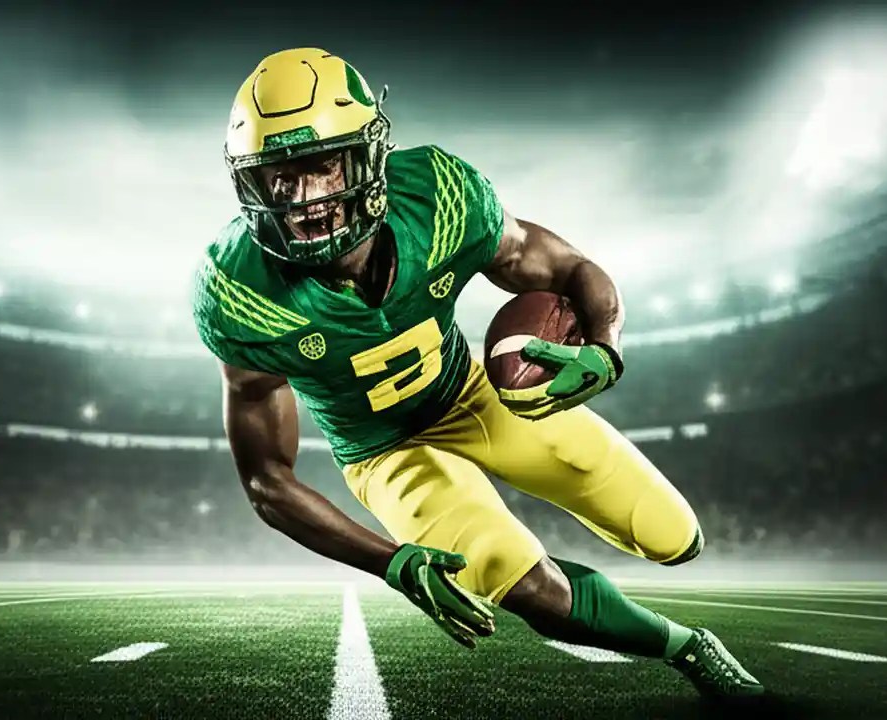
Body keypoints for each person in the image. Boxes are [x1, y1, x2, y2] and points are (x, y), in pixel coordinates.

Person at [191, 47, 763, 699]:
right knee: (529, 589)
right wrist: (391, 561)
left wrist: (604, 345)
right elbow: (267, 481)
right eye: (277, 179)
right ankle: (688, 649)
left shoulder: (438, 194)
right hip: (383, 454)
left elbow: (567, 267)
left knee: (674, 535)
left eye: (319, 168)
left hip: (474, 396)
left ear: (366, 156)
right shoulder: (237, 291)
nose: (302, 201)